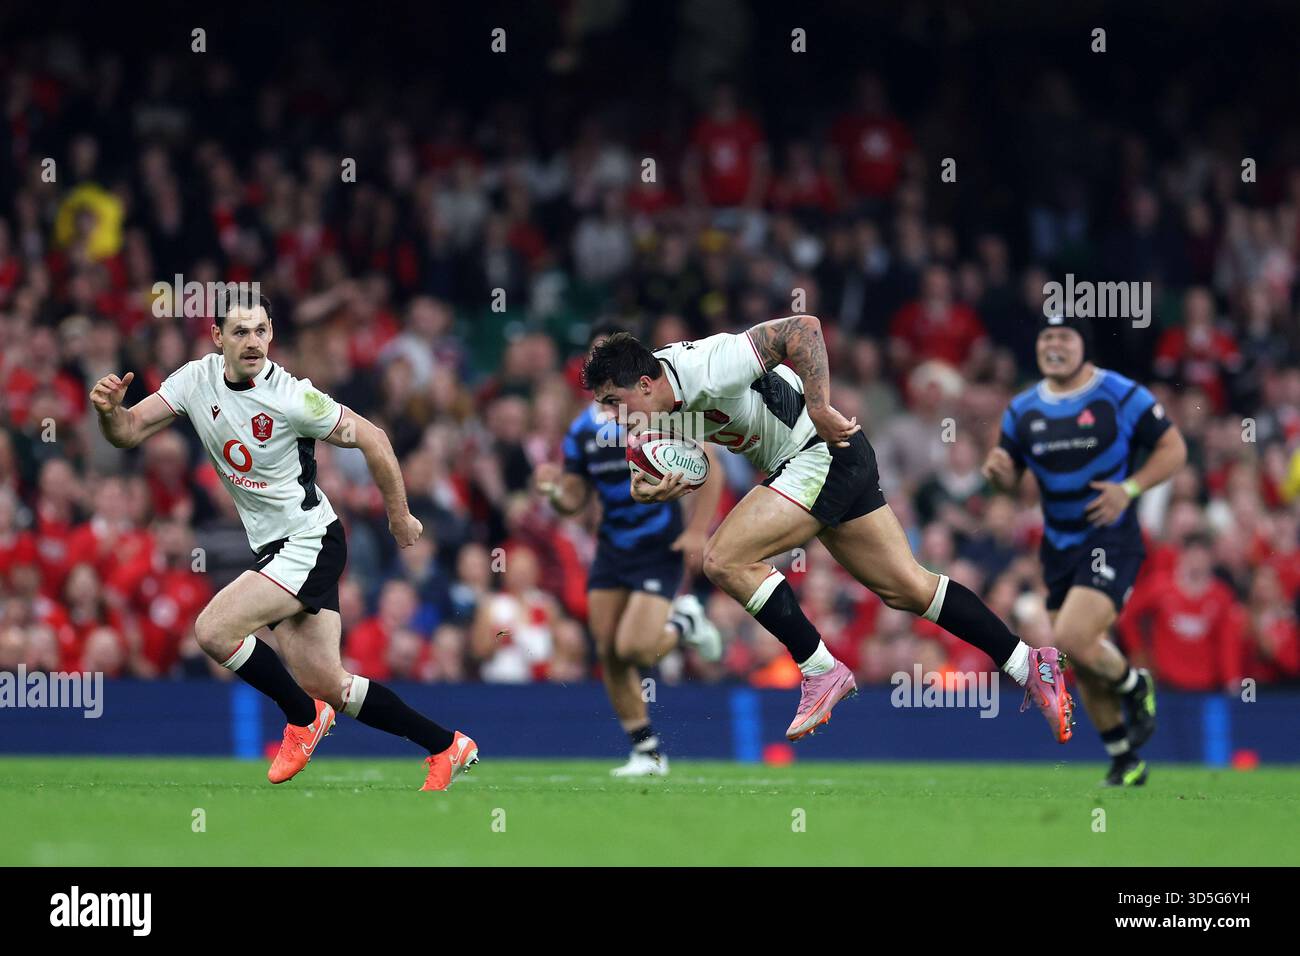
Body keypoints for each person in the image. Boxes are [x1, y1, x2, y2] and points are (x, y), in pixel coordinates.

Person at [582, 315, 1074, 745]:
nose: (611, 413)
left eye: (613, 400)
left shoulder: (710, 363)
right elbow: (689, 463)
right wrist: (648, 488)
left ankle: (821, 670)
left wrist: (819, 406)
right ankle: (1030, 663)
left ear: (645, 384)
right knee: (908, 587)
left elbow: (804, 328)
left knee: (723, 559)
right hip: (833, 459)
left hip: (817, 450)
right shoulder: (655, 407)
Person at [89, 297, 477, 792]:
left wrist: (399, 518)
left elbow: (374, 438)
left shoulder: (294, 397)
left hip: (310, 540)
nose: (252, 341)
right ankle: (446, 746)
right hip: (274, 548)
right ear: (217, 337)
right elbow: (126, 432)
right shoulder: (193, 380)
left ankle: (301, 718)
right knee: (328, 684)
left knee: (212, 630)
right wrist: (108, 412)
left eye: (261, 331)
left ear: (271, 335)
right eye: (240, 331)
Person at [984, 313, 1187, 786]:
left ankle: (1137, 685)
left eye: (1064, 337)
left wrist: (1130, 489)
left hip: (1110, 537)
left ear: (1084, 346)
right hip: (1058, 547)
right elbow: (1010, 479)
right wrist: (999, 475)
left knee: (1072, 639)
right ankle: (1125, 759)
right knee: (1081, 657)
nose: (1053, 345)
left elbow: (1173, 449)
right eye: (1046, 337)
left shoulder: (1120, 393)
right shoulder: (1022, 409)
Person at [533, 326, 724, 776]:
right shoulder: (581, 431)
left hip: (658, 543)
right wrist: (553, 493)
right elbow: (576, 500)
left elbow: (709, 464)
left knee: (636, 647)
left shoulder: (657, 410)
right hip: (612, 547)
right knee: (609, 652)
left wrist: (698, 531)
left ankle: (685, 619)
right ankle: (647, 751)